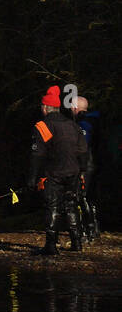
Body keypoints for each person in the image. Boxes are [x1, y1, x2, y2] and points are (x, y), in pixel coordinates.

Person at [27, 85, 88, 255]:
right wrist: (82, 170)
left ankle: (51, 245)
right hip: (73, 171)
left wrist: (32, 177)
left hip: (53, 172)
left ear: (45, 107)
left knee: (52, 207)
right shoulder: (73, 125)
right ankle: (77, 243)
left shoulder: (42, 126)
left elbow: (37, 154)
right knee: (71, 206)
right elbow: (83, 150)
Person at [69, 94, 102, 240]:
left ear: (75, 107)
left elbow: (82, 147)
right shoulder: (96, 121)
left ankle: (87, 229)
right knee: (90, 197)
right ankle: (94, 228)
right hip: (96, 164)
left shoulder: (83, 124)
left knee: (81, 197)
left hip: (86, 166)